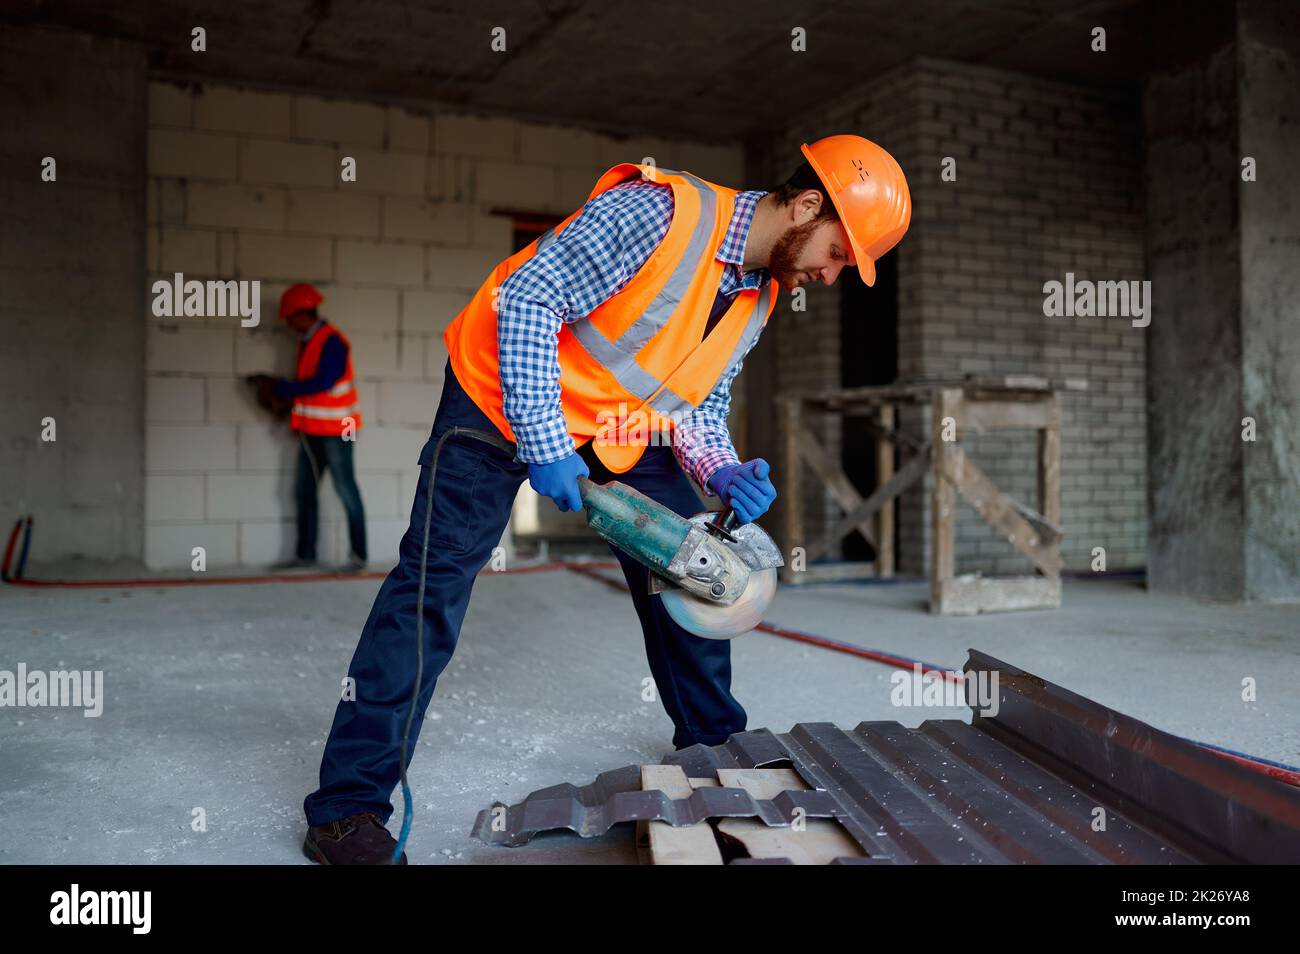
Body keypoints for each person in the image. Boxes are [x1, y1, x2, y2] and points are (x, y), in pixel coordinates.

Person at [301, 135, 911, 863]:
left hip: (618, 426)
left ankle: (715, 748)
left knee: (695, 565)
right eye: (841, 253)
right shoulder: (658, 214)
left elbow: (697, 404)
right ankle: (346, 809)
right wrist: (544, 438)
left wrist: (719, 469)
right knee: (431, 585)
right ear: (809, 205)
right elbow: (524, 301)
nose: (835, 274)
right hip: (498, 397)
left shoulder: (761, 295)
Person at [263, 283, 368, 573]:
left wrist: (284, 388)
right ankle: (305, 555)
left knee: (346, 490)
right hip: (312, 430)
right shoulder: (308, 341)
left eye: (290, 317)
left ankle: (358, 557)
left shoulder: (332, 341)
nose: (288, 324)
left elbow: (324, 381)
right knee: (304, 491)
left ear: (300, 314)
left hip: (337, 430)